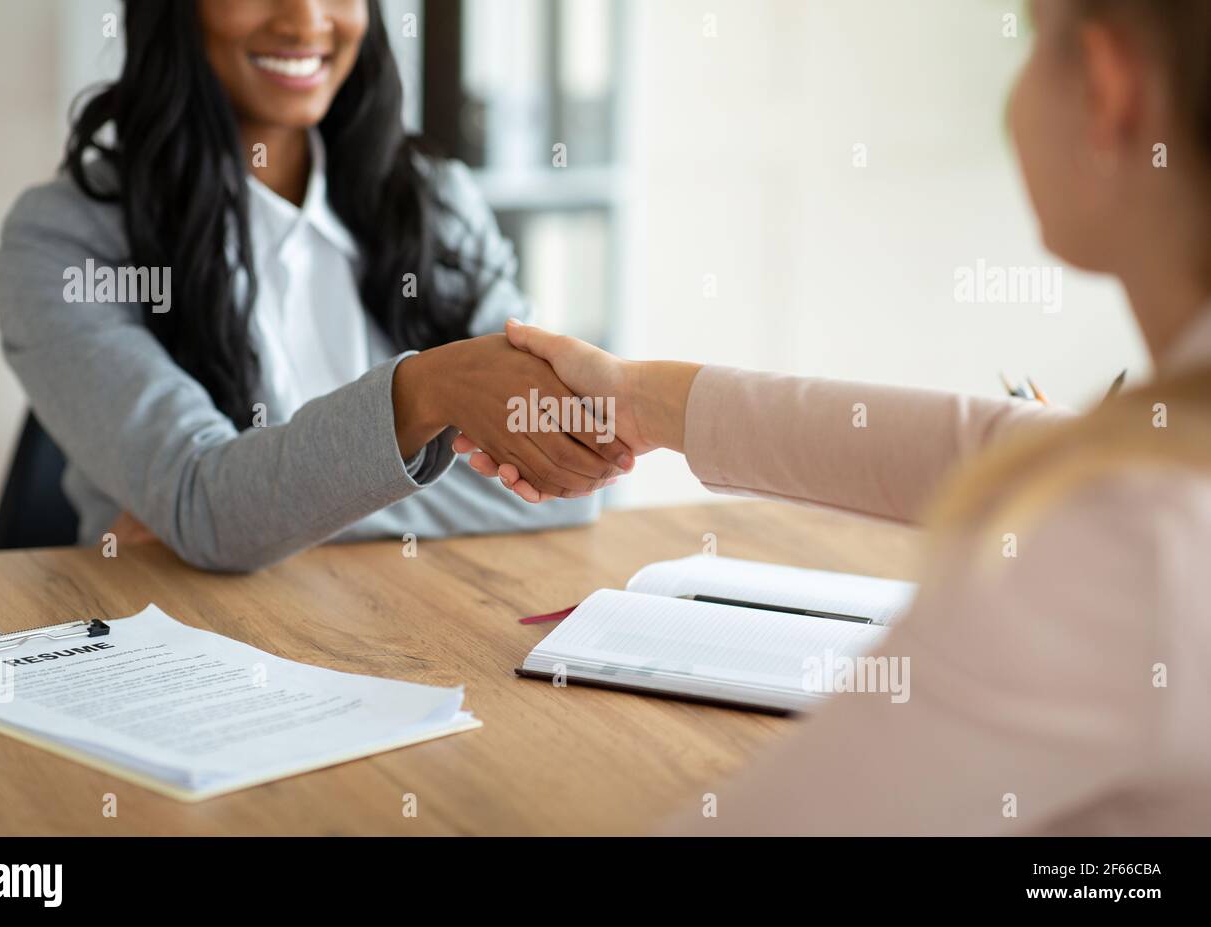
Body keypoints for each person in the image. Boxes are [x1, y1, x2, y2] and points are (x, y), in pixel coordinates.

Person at [460, 0, 1211, 834]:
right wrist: (639, 401)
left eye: (1034, 38)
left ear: (1110, 91)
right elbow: (1007, 446)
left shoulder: (1131, 545)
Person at [0, 0, 630, 572]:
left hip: (411, 630)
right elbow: (207, 506)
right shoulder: (64, 241)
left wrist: (246, 517)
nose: (304, 19)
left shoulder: (439, 202)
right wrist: (427, 394)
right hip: (186, 649)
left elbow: (564, 485)